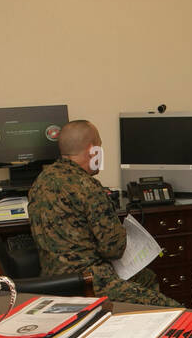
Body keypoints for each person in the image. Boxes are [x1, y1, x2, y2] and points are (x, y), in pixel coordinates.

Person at [28, 119, 181, 307]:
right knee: (173, 307)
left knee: (146, 277)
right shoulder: (87, 186)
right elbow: (113, 249)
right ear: (93, 150)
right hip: (89, 283)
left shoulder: (40, 181)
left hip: (52, 282)